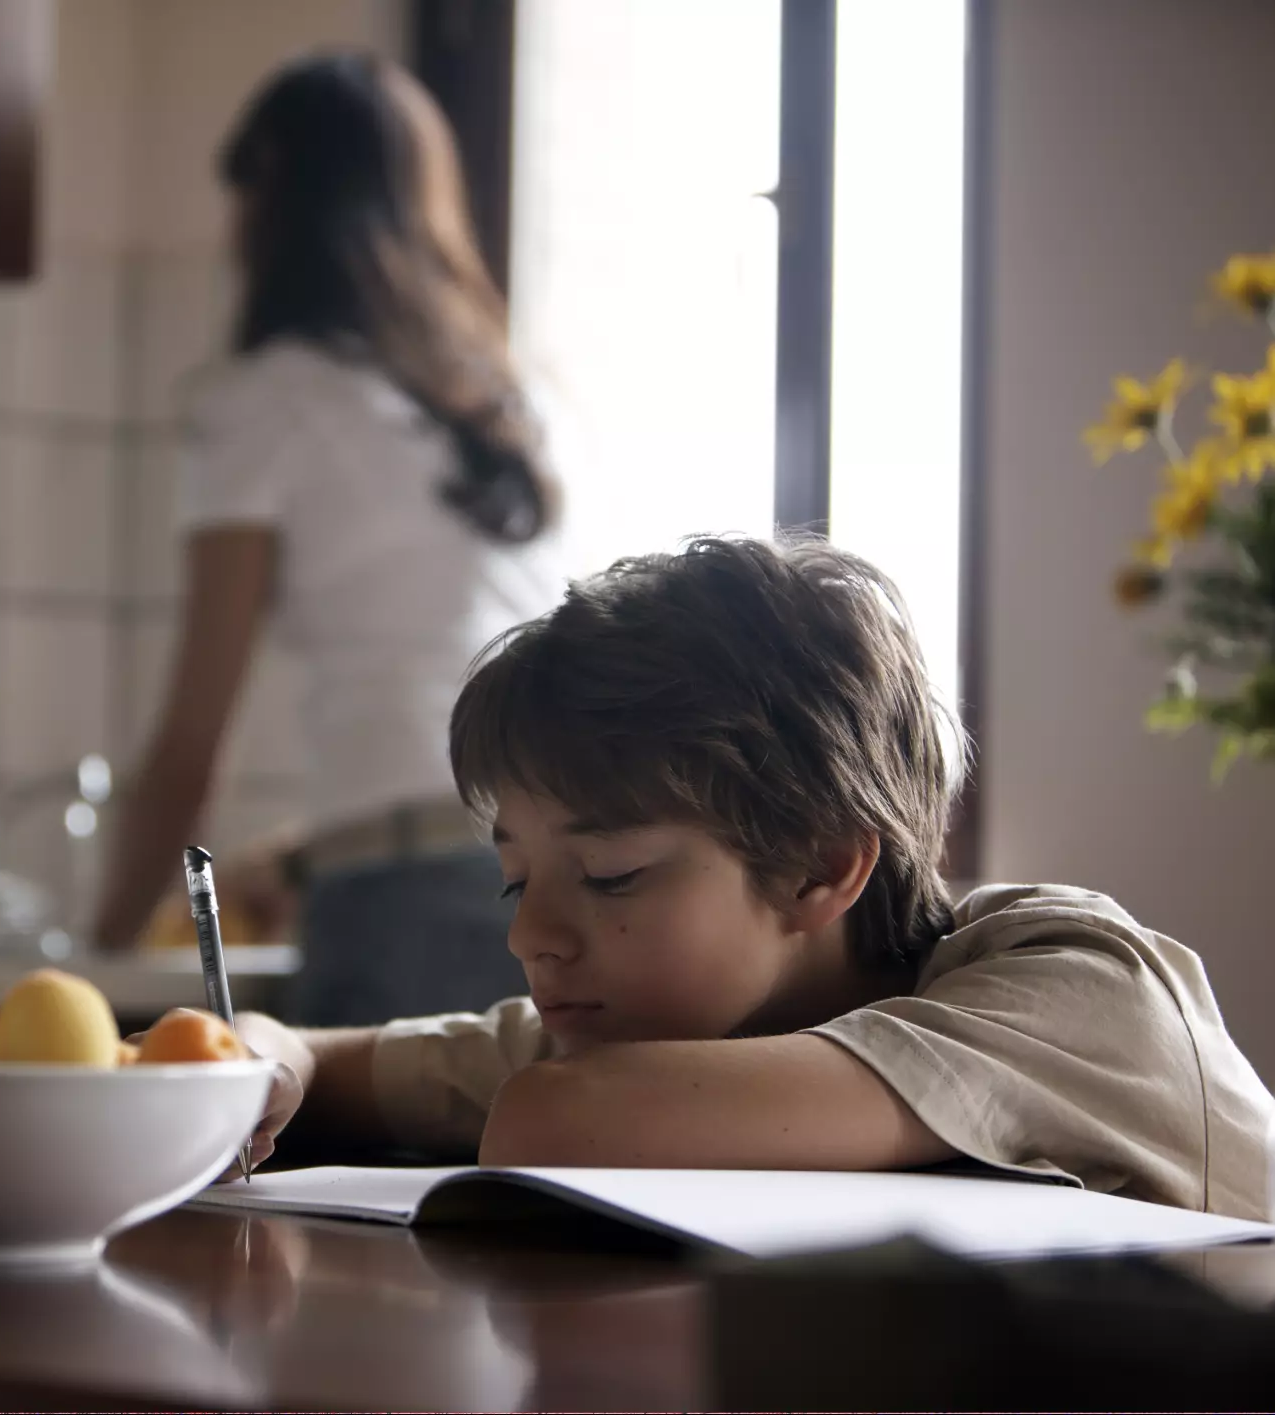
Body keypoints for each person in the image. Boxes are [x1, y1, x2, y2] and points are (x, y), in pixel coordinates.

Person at [228, 536, 1275, 1218]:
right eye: (515, 880)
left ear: (822, 864)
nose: (529, 935)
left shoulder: (1080, 986)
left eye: (609, 873)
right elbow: (335, 1060)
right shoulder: (687, 1018)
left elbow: (555, 1116)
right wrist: (264, 1053)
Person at [90, 51, 569, 1028]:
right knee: (519, 1181)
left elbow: (192, 740)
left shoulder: (265, 399)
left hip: (406, 906)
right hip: (563, 872)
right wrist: (309, 853)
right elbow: (450, 703)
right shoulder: (499, 406)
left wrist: (92, 955)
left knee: (363, 1184)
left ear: (269, 194)